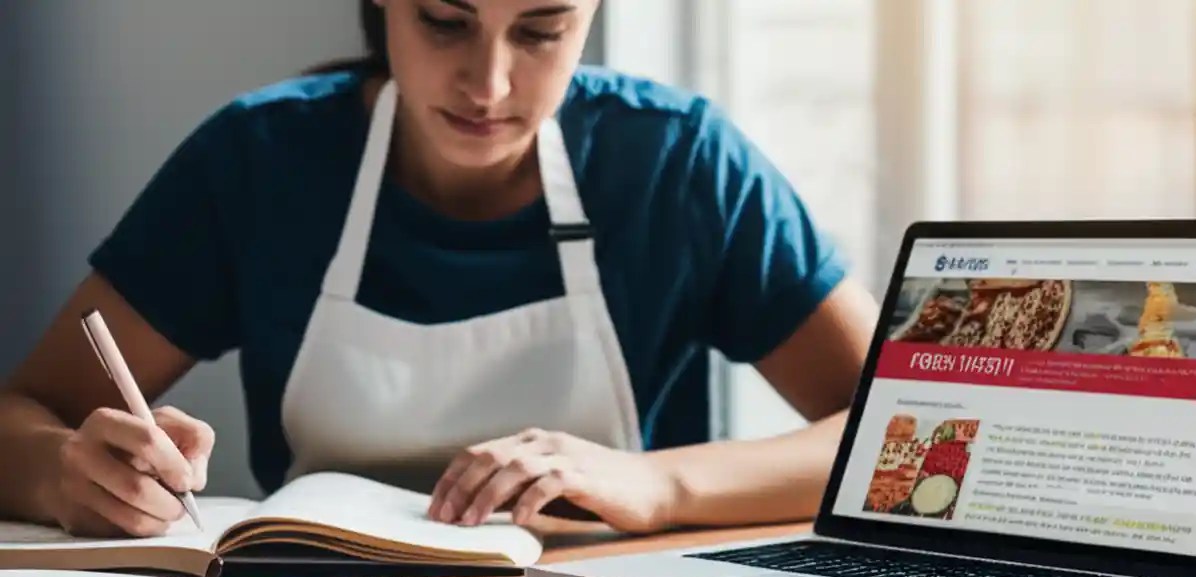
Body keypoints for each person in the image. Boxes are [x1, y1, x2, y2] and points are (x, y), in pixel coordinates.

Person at [0, 0, 878, 538]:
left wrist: (662, 482)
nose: (488, 85)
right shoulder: (257, 162)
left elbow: (902, 437)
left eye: (541, 30)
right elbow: (19, 415)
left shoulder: (680, 164)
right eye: (445, 22)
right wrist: (62, 472)